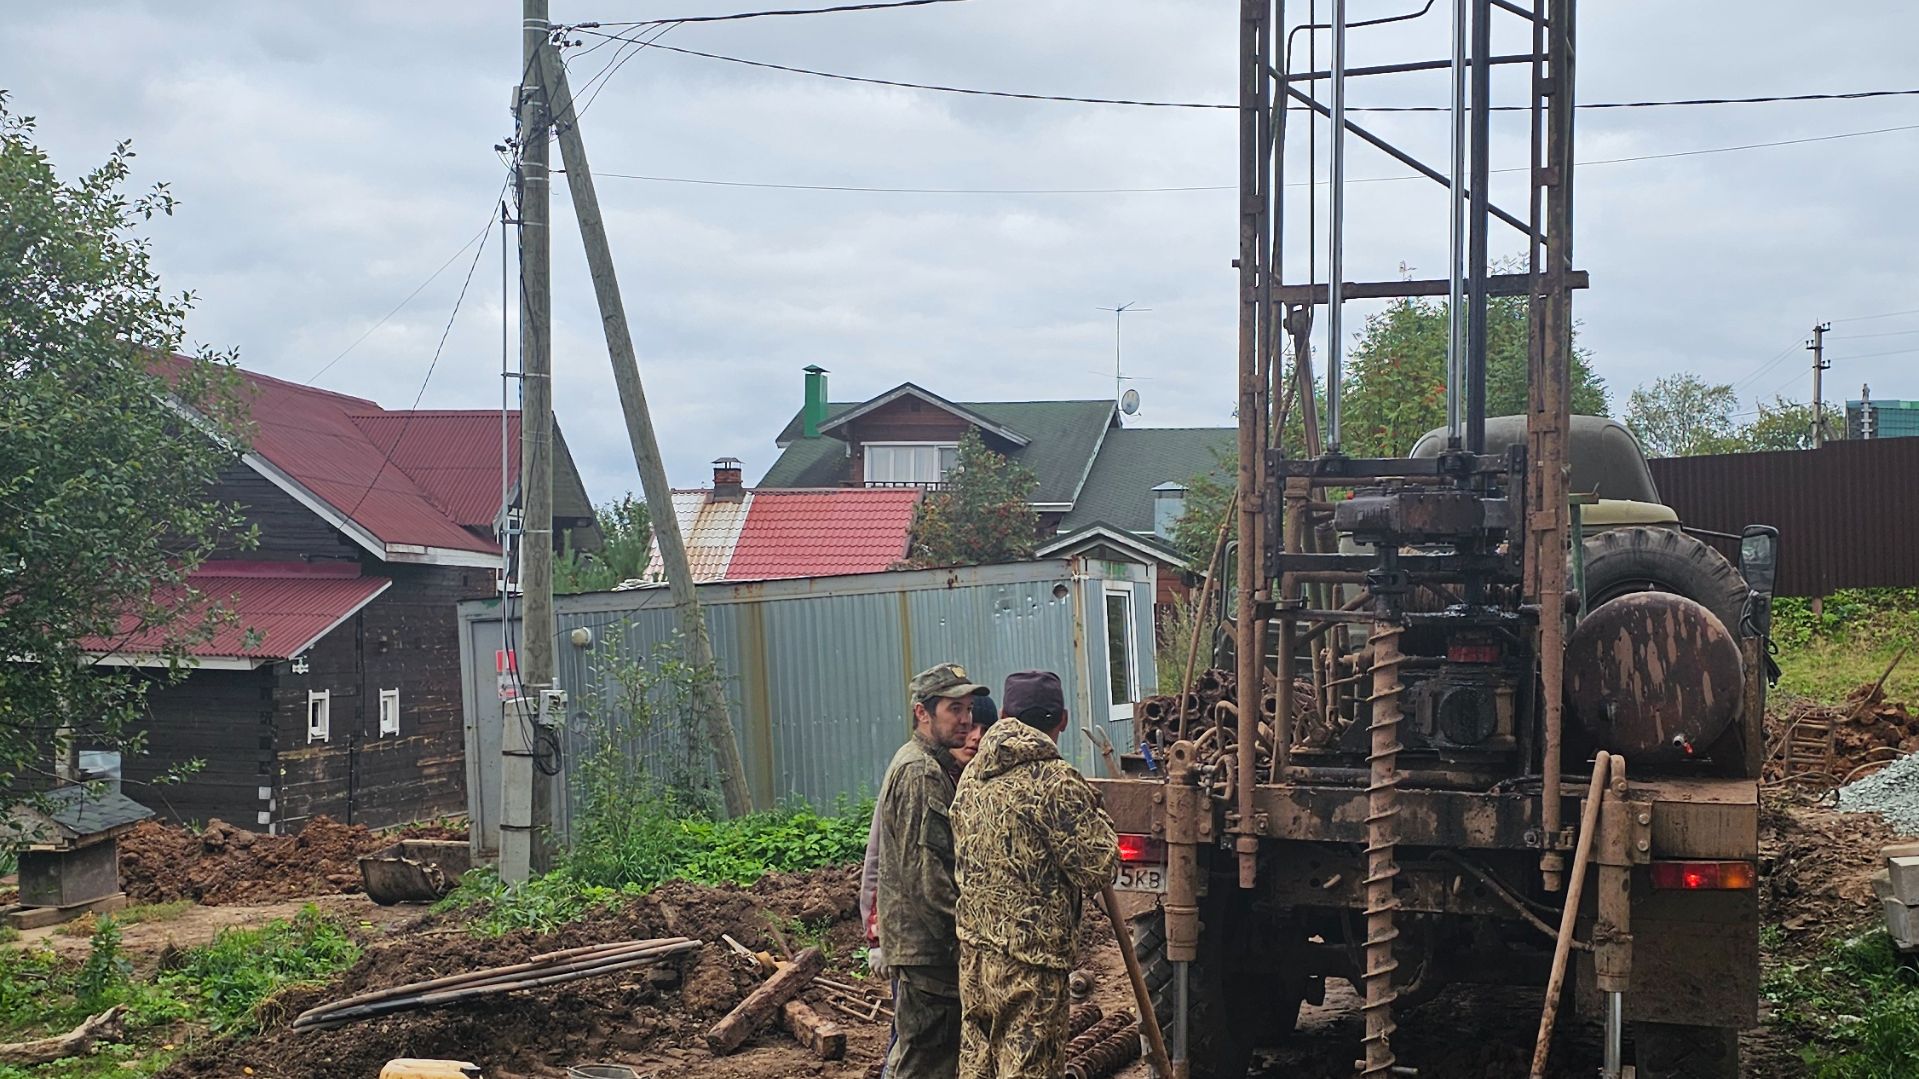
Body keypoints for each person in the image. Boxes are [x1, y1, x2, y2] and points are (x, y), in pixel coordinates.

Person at [952, 671, 1119, 1079]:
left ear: (1004, 715)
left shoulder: (972, 775)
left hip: (975, 957)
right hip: (1032, 968)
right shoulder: (1055, 782)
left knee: (978, 1066)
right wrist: (1096, 816)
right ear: (1063, 719)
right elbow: (1099, 867)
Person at [862, 694, 996, 1078]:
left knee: (916, 1051)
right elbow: (919, 875)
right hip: (926, 952)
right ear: (922, 712)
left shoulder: (939, 770)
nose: (967, 725)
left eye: (972, 714)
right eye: (956, 710)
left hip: (924, 948)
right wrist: (967, 942)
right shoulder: (921, 774)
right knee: (923, 1057)